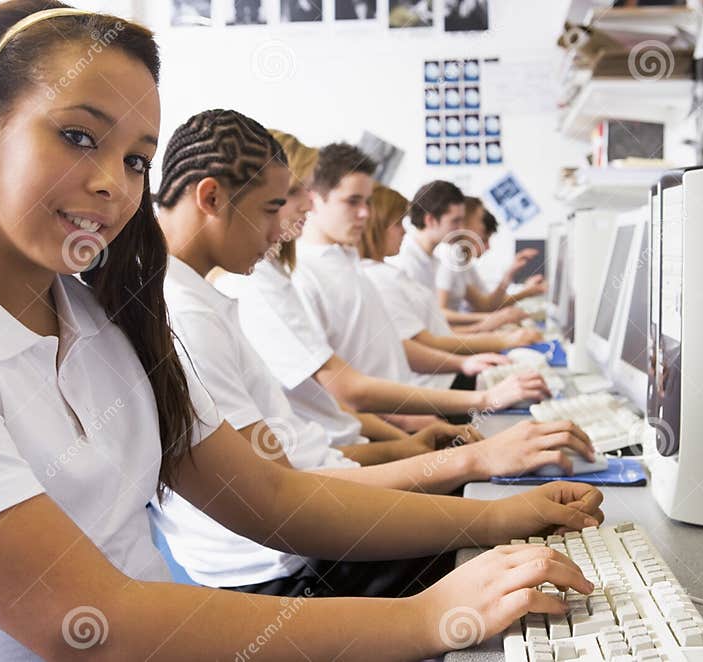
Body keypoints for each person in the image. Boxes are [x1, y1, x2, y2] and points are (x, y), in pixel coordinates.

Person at [0, 3, 602, 659]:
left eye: (134, 161)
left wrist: (501, 515)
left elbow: (272, 499)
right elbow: (87, 622)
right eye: (76, 136)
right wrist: (427, 619)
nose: (112, 184)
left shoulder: (98, 311)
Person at [154, 109, 597, 595]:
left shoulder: (206, 299)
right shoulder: (189, 313)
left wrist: (410, 451)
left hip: (312, 527)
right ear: (212, 197)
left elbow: (293, 457)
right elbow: (284, 500)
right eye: (271, 207)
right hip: (292, 568)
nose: (283, 221)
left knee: (519, 535)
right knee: (528, 557)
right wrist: (484, 489)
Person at [217, 131, 551, 434]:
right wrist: (479, 394)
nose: (365, 213)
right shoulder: (290, 278)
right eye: (353, 201)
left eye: (368, 202)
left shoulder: (350, 264)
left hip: (399, 413)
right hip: (390, 419)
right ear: (317, 199)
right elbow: (345, 390)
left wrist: (470, 362)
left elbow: (394, 346)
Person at [359, 183, 544, 386]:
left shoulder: (433, 261)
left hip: (441, 369)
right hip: (430, 379)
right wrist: (496, 333)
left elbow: (446, 323)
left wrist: (495, 327)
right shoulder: (403, 266)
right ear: (431, 220)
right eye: (455, 221)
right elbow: (427, 338)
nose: (461, 229)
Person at [437, 197, 547, 325]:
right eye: (479, 220)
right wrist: (493, 319)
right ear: (464, 222)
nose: (481, 225)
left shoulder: (462, 262)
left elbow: (486, 305)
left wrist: (509, 276)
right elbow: (442, 314)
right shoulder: (449, 256)